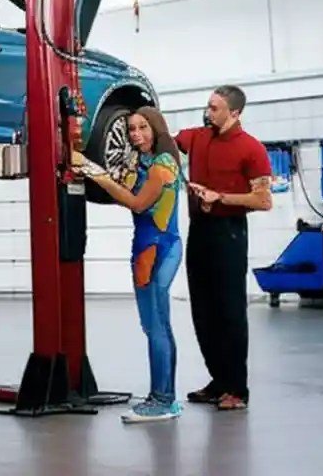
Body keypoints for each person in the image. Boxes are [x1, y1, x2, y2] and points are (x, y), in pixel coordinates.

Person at [73, 106, 184, 424]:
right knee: (155, 326)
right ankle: (163, 397)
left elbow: (136, 202)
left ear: (156, 129)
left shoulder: (163, 165)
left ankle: (163, 400)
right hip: (146, 250)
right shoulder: (143, 162)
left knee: (157, 327)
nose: (136, 134)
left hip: (159, 250)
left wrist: (97, 174)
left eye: (142, 128)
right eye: (132, 129)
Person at [175, 85, 272, 412]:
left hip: (229, 232)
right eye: (208, 106)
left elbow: (263, 200)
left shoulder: (252, 149)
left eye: (215, 108)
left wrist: (221, 197)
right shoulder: (198, 138)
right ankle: (218, 380)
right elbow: (165, 139)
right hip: (199, 231)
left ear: (235, 113)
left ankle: (237, 389)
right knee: (203, 311)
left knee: (229, 311)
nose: (208, 112)